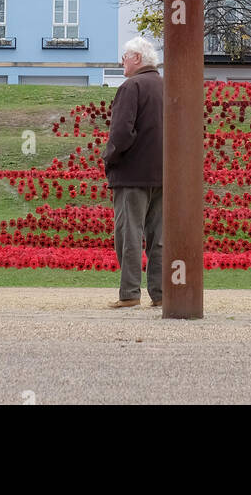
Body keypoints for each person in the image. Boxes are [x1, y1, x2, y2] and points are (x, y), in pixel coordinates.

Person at [102, 36, 164, 309]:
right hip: (163, 173)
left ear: (137, 58)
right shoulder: (165, 86)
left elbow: (121, 132)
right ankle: (161, 294)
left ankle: (129, 293)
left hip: (132, 174)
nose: (122, 62)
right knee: (158, 237)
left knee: (129, 234)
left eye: (125, 57)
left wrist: (110, 158)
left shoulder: (131, 86)